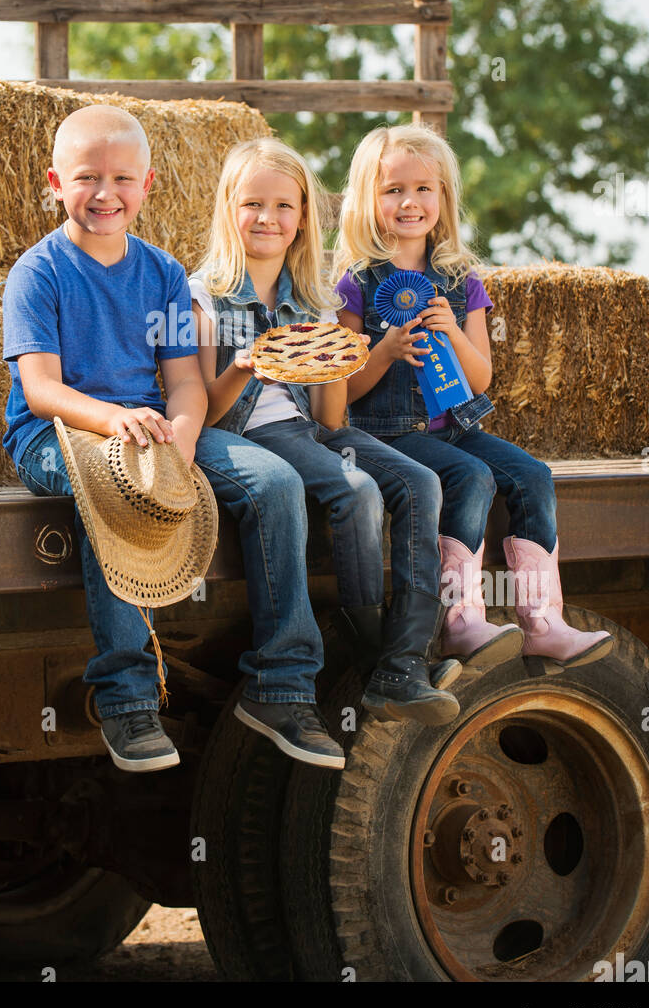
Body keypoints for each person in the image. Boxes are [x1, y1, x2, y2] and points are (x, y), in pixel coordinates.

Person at [2, 104, 344, 773]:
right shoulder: (38, 273)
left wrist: (182, 441)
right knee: (115, 486)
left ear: (148, 184)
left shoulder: (160, 273)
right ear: (54, 182)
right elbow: (41, 389)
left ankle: (282, 686)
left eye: (122, 178)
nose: (106, 194)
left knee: (275, 483)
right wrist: (115, 424)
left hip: (156, 430)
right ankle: (128, 699)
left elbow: (185, 383)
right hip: (60, 434)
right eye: (87, 178)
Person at [189, 135, 464, 726]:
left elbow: (331, 421)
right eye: (253, 204)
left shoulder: (312, 299)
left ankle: (405, 660)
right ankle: (372, 655)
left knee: (420, 484)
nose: (269, 218)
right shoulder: (202, 298)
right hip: (249, 437)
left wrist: (343, 358)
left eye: (285, 206)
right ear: (228, 209)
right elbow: (203, 416)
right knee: (359, 492)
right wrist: (243, 366)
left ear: (304, 218)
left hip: (306, 431)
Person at [333, 123, 613, 675]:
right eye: (392, 190)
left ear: (443, 197)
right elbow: (341, 394)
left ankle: (543, 622)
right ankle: (459, 618)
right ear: (368, 197)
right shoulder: (356, 284)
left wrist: (455, 333)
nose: (409, 202)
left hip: (457, 425)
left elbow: (481, 379)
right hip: (387, 432)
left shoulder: (462, 282)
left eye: (423, 189)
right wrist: (385, 351)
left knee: (533, 474)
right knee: (470, 477)